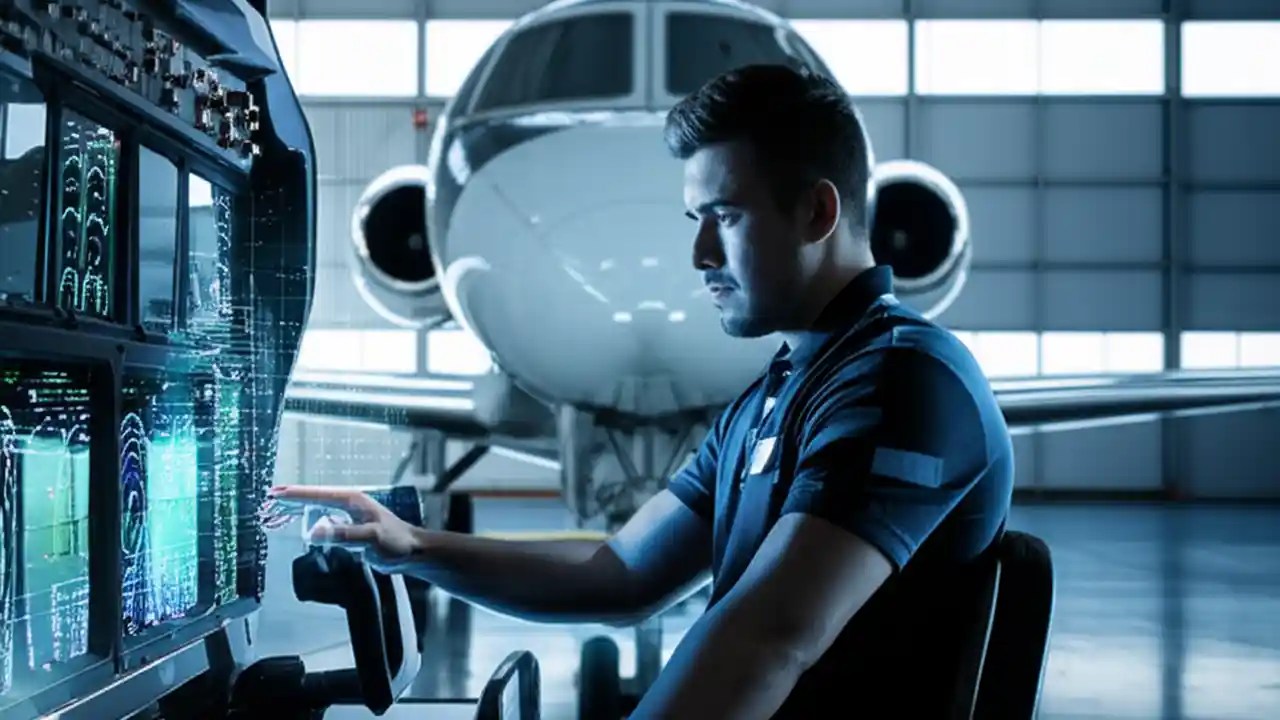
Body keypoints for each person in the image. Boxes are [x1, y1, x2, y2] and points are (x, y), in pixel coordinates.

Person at [267, 64, 1014, 719]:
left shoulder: (904, 381)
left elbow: (769, 638)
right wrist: (412, 545)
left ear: (818, 213)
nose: (701, 253)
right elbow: (621, 573)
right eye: (697, 220)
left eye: (725, 217)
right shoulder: (776, 396)